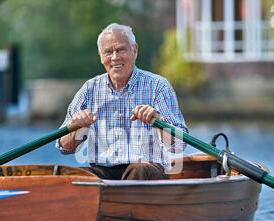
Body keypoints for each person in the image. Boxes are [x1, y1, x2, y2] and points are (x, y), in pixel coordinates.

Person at [55, 23, 188, 180]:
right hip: (103, 171)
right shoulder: (89, 89)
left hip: (148, 170)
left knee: (138, 170)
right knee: (72, 177)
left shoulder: (159, 86)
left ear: (135, 50)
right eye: (108, 52)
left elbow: (179, 145)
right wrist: (76, 127)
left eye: (121, 50)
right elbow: (63, 147)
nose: (115, 57)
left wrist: (158, 120)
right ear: (101, 56)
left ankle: (122, 203)